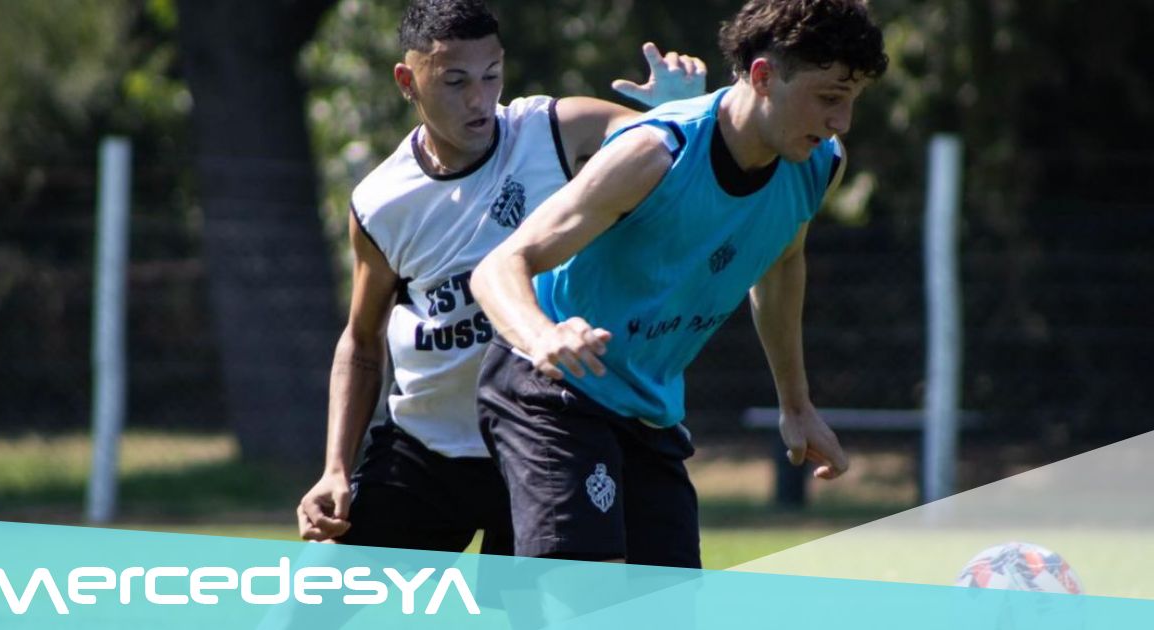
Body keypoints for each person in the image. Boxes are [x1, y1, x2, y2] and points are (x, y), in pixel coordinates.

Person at [471, 0, 889, 568]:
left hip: (648, 408)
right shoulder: (654, 154)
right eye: (829, 98)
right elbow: (499, 266)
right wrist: (542, 337)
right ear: (763, 76)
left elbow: (782, 261)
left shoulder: (817, 165)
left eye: (852, 102)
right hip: (552, 390)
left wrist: (796, 405)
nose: (842, 123)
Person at [295, 0, 707, 555]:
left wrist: (681, 119)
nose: (479, 99)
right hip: (424, 452)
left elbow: (668, 154)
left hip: (542, 446)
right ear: (407, 81)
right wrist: (335, 468)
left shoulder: (554, 133)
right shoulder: (380, 202)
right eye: (455, 81)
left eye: (491, 76)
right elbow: (362, 340)